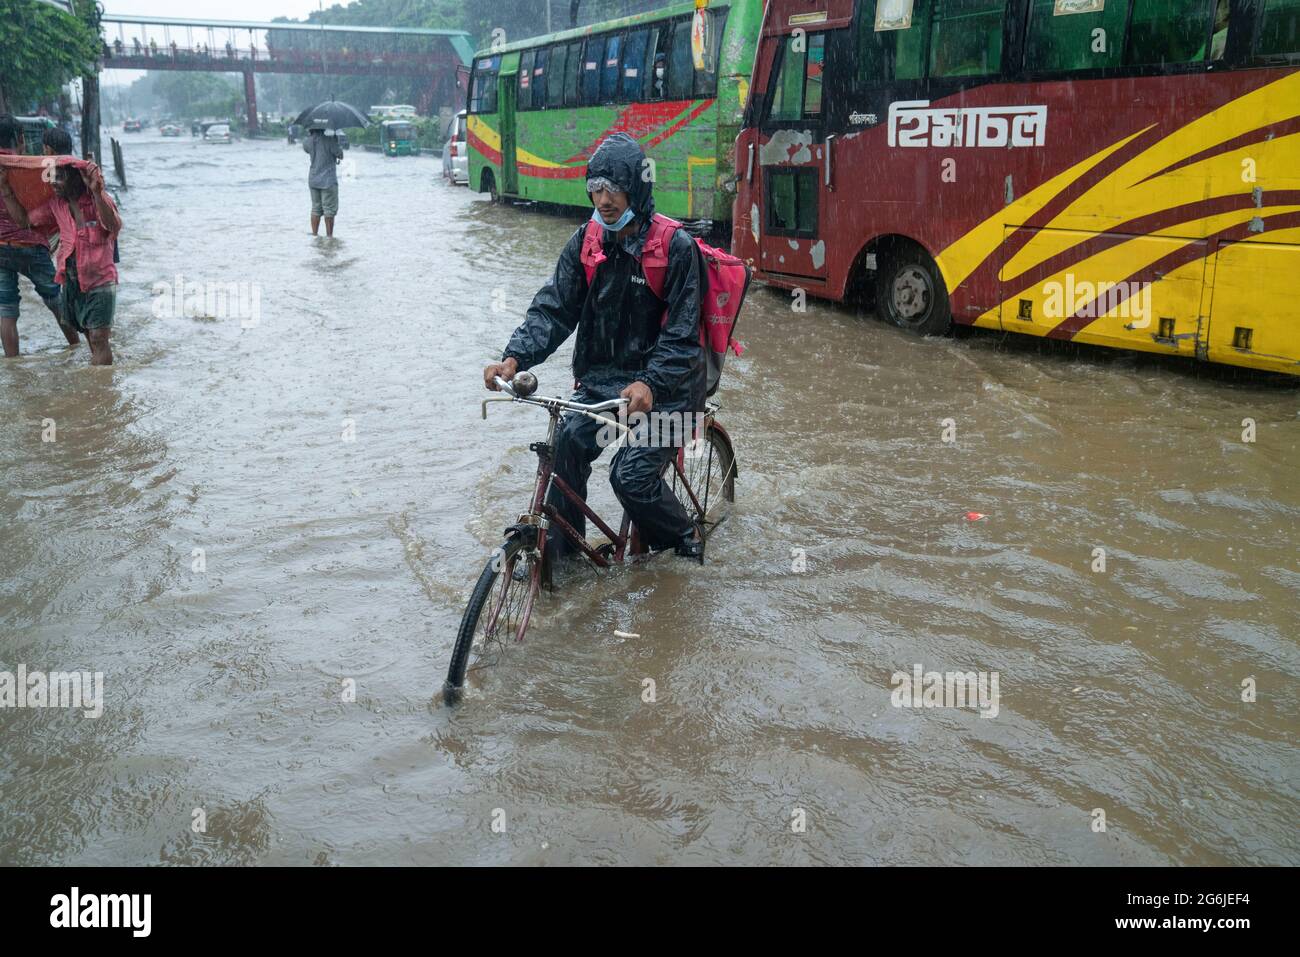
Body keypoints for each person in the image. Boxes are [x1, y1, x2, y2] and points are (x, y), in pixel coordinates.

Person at [482, 133, 706, 561]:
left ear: (636, 188)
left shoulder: (676, 248)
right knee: (568, 441)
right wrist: (514, 357)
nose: (603, 200)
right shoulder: (587, 241)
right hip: (605, 388)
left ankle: (685, 537)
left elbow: (682, 337)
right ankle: (566, 560)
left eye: (614, 189)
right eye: (595, 189)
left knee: (630, 477)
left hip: (673, 395)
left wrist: (651, 383)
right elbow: (554, 310)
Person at [2, 161, 121, 366]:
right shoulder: (56, 205)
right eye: (52, 178)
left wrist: (97, 193)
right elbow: (25, 222)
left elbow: (113, 225)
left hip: (101, 281)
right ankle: (100, 383)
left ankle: (101, 389)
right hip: (72, 281)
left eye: (60, 178)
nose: (54, 184)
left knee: (98, 338)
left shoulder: (98, 201)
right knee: (89, 336)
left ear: (76, 179)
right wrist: (6, 189)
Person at [0, 115, 74, 356]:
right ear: (20, 138)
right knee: (56, 300)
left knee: (6, 310)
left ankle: (13, 365)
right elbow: (57, 198)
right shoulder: (34, 168)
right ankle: (77, 348)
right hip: (31, 244)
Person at [303, 125, 343, 237]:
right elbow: (340, 154)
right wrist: (336, 140)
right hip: (328, 180)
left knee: (315, 208)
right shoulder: (330, 140)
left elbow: (307, 149)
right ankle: (329, 237)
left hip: (313, 179)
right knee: (329, 210)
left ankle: (315, 235)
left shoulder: (307, 142)